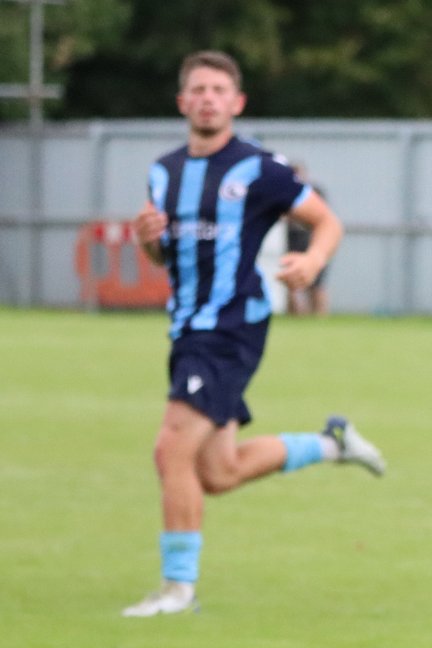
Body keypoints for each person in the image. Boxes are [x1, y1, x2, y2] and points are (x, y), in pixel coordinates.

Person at [124, 50, 385, 617]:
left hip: (230, 328)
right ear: (182, 102)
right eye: (198, 89)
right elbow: (165, 255)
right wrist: (147, 241)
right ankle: (332, 444)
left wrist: (312, 261)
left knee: (171, 450)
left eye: (219, 90)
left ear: (237, 102)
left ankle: (177, 590)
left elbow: (326, 221)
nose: (208, 99)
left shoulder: (258, 168)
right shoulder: (163, 172)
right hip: (186, 329)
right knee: (217, 472)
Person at [285, 161, 332, 316]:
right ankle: (297, 316)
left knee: (317, 283)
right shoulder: (283, 192)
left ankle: (320, 316)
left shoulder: (314, 192)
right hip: (292, 239)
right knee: (293, 282)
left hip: (312, 239)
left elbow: (324, 218)